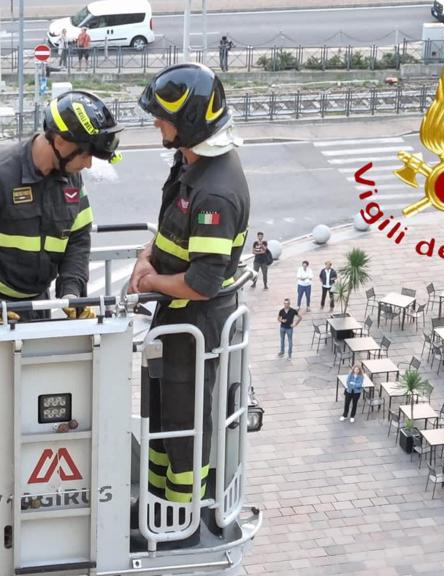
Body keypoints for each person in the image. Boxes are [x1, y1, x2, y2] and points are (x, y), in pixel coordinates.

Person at [133, 62, 249, 547]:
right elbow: (168, 230)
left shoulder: (216, 192)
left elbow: (203, 281)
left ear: (194, 122)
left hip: (195, 324)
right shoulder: (190, 162)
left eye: (163, 117)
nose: (157, 123)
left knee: (184, 426)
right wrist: (147, 259)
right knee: (159, 417)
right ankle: (156, 504)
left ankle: (180, 523)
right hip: (173, 320)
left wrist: (150, 280)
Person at [0, 89, 121, 333]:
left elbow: (78, 239)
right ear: (60, 141)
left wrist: (71, 291)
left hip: (37, 302)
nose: (89, 164)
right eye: (86, 154)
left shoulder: (71, 179)